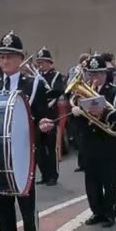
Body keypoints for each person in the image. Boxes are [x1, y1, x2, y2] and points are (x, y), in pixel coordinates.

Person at [0, 32, 55, 231]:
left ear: (20, 58)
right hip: (2, 160)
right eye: (2, 56)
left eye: (10, 56)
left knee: (27, 211)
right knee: (4, 213)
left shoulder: (33, 85)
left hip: (25, 157)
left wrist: (44, 126)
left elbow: (43, 116)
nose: (5, 61)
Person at [69, 55, 116, 226]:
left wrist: (104, 113)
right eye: (91, 74)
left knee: (110, 181)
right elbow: (76, 119)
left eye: (98, 74)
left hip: (108, 144)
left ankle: (110, 212)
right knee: (91, 182)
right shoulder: (82, 92)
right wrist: (76, 112)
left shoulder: (114, 92)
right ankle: (97, 212)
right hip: (89, 144)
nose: (94, 77)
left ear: (105, 73)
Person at [33, 47, 65, 184]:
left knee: (50, 147)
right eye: (39, 62)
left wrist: (45, 92)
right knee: (39, 148)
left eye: (43, 62)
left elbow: (58, 91)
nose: (40, 65)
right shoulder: (36, 77)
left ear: (49, 62)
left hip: (51, 114)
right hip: (39, 115)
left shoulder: (56, 76)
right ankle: (45, 174)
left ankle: (53, 175)